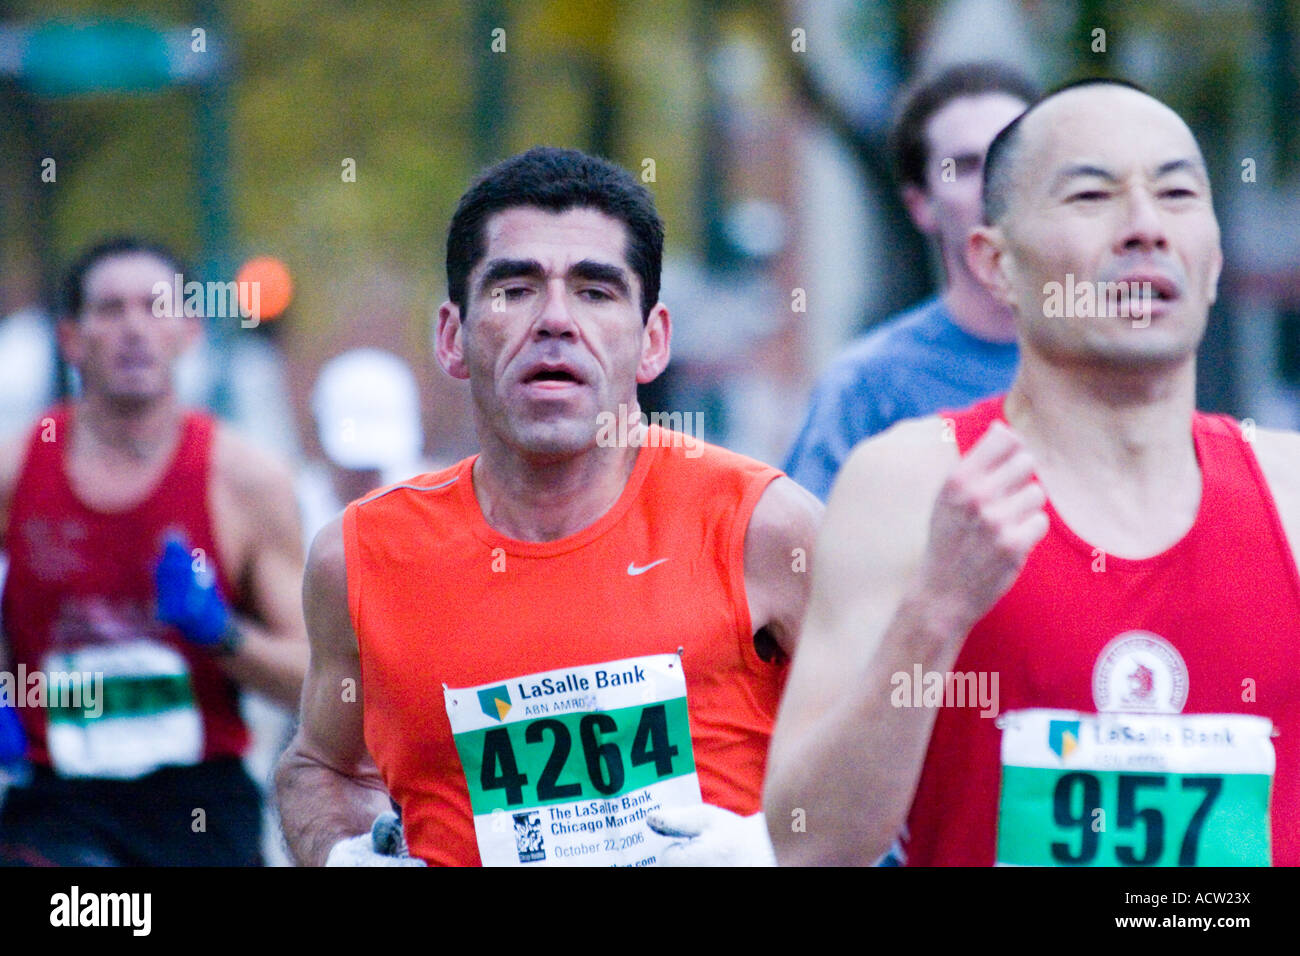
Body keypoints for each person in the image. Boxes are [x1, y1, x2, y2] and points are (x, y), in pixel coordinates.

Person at [765, 79, 1300, 867]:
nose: (1146, 228)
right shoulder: (908, 486)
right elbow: (805, 847)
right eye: (1091, 195)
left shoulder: (1288, 492)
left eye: (1178, 193)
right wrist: (935, 613)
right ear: (996, 263)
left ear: (1214, 261)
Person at [276, 146, 821, 867]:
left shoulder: (763, 527)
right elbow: (321, 766)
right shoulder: (360, 556)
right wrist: (345, 855)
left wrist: (768, 847)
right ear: (452, 336)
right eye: (515, 289)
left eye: (596, 291)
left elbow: (889, 740)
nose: (555, 320)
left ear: (653, 340)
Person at [0, 237, 308, 865]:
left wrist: (221, 633)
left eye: (156, 306)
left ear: (189, 329)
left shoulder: (247, 481)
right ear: (70, 338)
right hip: (59, 804)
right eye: (110, 310)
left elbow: (315, 680)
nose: (134, 328)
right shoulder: (14, 471)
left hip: (198, 802)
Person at [783, 63, 1038, 500]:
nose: (996, 184)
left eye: (1014, 157)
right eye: (967, 165)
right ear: (922, 206)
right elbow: (809, 559)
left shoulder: (1121, 355)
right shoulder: (865, 390)